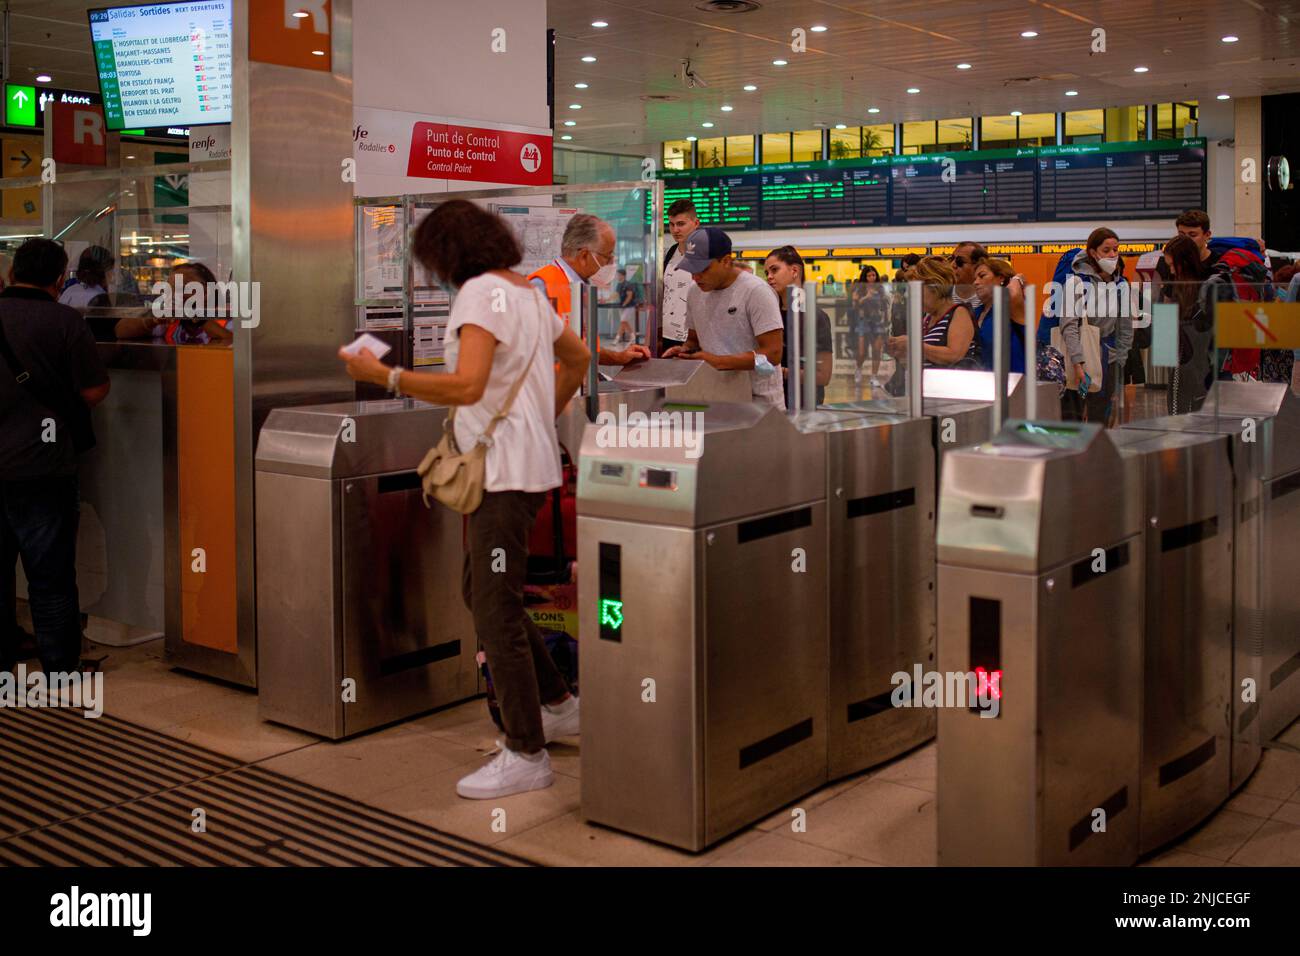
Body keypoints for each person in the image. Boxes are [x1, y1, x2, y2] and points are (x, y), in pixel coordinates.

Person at [339, 201, 590, 800]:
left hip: (500, 475)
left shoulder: (480, 293)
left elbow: (468, 385)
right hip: (529, 467)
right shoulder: (526, 293)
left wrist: (386, 377)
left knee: (493, 607)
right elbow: (577, 359)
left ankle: (527, 751)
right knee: (482, 594)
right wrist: (537, 417)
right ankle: (557, 702)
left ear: (448, 253)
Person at [0, 238, 111, 676]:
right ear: (60, 278)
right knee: (50, 571)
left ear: (11, 274)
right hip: (43, 468)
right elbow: (94, 389)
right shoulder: (65, 322)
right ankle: (60, 663)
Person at [663, 227, 785, 407]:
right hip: (715, 398)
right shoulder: (694, 292)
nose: (695, 277)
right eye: (691, 269)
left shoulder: (756, 292)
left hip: (759, 403)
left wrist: (720, 362)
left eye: (702, 269)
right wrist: (685, 351)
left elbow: (773, 354)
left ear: (726, 261)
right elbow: (694, 340)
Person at [528, 214, 649, 368]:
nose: (612, 263)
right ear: (584, 255)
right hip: (555, 389)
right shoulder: (542, 287)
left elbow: (584, 347)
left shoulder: (582, 287)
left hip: (579, 386)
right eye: (607, 256)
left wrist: (618, 357)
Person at [1057, 227, 1132, 424]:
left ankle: (1096, 454)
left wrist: (1119, 365)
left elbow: (1125, 329)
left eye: (1116, 249)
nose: (1113, 255)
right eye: (1106, 250)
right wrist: (1078, 362)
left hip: (1109, 361)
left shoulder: (1121, 285)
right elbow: (1068, 325)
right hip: (1081, 360)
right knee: (1074, 420)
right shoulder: (1076, 282)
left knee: (1099, 421)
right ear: (1093, 252)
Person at [764, 246, 833, 406]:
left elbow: (823, 375)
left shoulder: (816, 317)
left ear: (794, 271)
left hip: (804, 405)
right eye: (767, 272)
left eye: (774, 270)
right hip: (770, 402)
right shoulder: (768, 314)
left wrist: (782, 373)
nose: (769, 277)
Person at [885, 256, 978, 370]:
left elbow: (954, 355)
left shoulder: (959, 313)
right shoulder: (928, 318)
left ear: (935, 287)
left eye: (917, 290)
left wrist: (912, 345)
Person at [115, 261, 233, 344]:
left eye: (179, 287)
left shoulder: (226, 318)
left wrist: (199, 318)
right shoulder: (172, 322)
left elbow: (234, 343)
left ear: (206, 291)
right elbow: (121, 331)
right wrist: (152, 320)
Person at [1161, 235, 1214, 415]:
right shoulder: (1206, 281)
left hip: (1187, 358)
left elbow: (1166, 324)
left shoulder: (1204, 283)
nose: (1172, 271)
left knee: (1179, 411)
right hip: (1198, 359)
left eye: (1172, 265)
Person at [660, 198, 700, 355]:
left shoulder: (704, 254)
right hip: (666, 334)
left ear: (695, 223)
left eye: (681, 224)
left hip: (691, 336)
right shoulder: (669, 253)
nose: (675, 230)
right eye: (672, 224)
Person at [850, 265, 889, 391]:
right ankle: (858, 367)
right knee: (862, 351)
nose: (872, 278)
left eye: (873, 275)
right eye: (869, 275)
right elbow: (854, 306)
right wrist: (866, 297)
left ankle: (874, 376)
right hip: (863, 322)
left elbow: (885, 306)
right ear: (864, 277)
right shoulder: (859, 289)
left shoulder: (880, 289)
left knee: (877, 350)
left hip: (877, 322)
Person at [950, 241, 987, 309]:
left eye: (959, 261)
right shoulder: (942, 295)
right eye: (951, 259)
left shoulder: (988, 299)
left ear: (978, 266)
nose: (953, 265)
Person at [615, 267, 638, 344]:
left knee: (623, 321)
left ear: (623, 275)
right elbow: (616, 294)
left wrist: (624, 304)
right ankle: (633, 336)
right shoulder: (619, 285)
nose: (617, 276)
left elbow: (629, 296)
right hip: (622, 306)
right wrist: (606, 299)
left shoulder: (628, 284)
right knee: (625, 322)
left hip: (629, 306)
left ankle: (617, 338)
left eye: (618, 275)